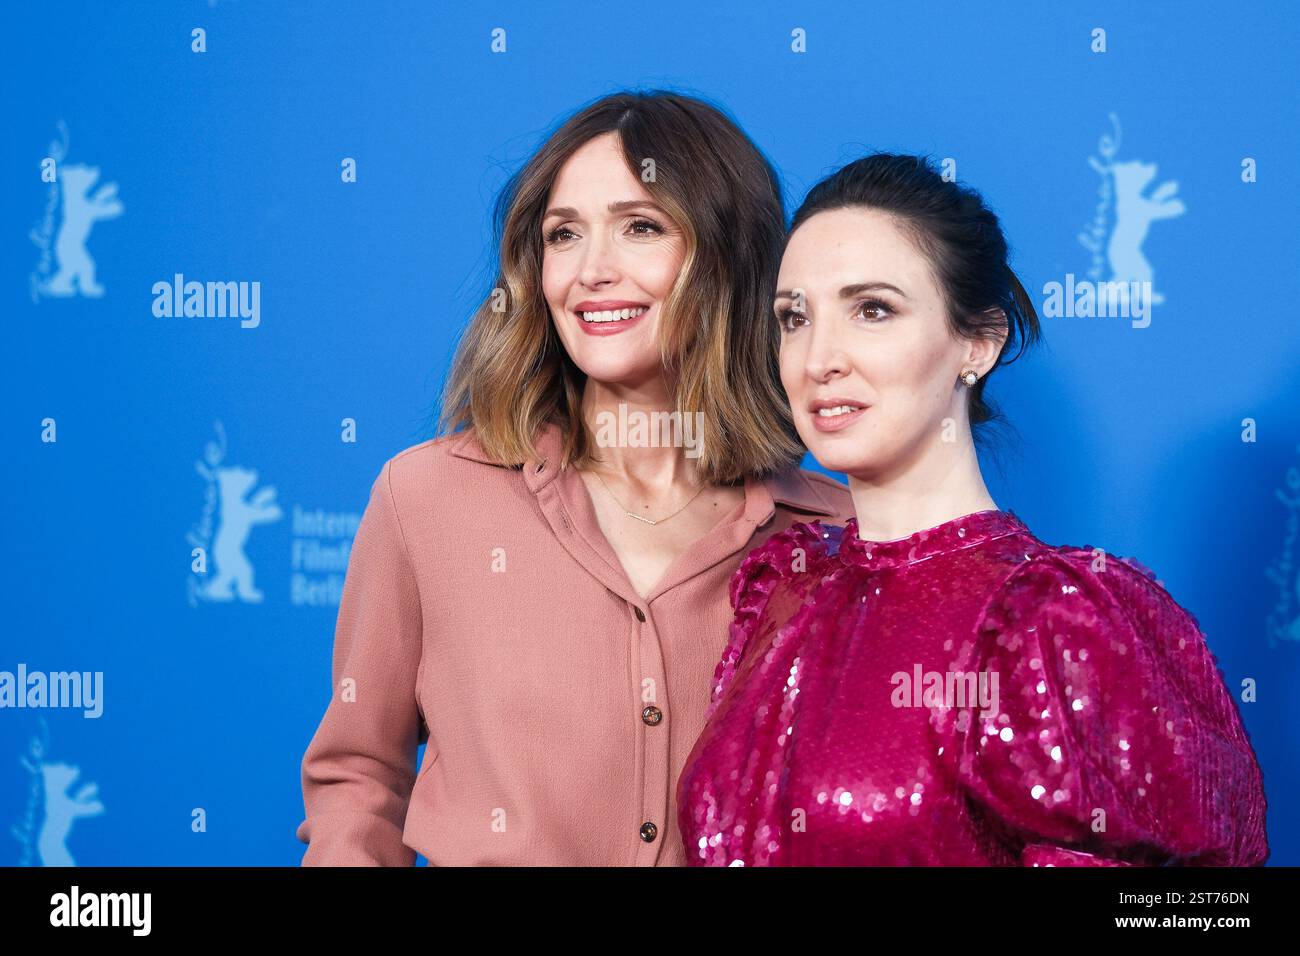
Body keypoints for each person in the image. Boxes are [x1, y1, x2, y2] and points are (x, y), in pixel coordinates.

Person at [295, 90, 854, 866]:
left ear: (730, 258)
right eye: (564, 235)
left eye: (641, 227)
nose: (592, 271)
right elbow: (358, 776)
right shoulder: (425, 499)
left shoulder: (836, 539)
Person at [677, 153, 1268, 866]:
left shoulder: (1054, 619)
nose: (818, 357)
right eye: (794, 318)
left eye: (872, 309)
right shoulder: (780, 587)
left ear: (977, 344)